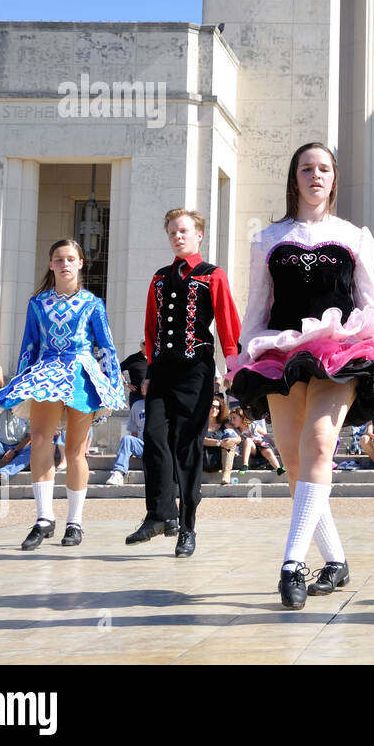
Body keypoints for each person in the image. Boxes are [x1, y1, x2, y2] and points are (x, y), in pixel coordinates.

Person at [228, 142, 374, 609]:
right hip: (280, 353)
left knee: (320, 443)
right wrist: (247, 354)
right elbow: (258, 305)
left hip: (339, 351)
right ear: (294, 178)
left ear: (334, 178)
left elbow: (370, 300)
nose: (315, 175)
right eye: (306, 168)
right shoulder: (267, 238)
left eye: (324, 168)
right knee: (295, 461)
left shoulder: (355, 235)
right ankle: (336, 560)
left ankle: (291, 565)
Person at [0, 239, 127, 549]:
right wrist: (21, 379)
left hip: (81, 373)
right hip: (46, 373)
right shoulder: (37, 303)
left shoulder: (93, 303)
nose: (64, 263)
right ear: (51, 264)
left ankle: (75, 521)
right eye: (58, 259)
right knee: (40, 440)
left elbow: (105, 345)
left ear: (80, 263)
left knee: (75, 450)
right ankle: (44, 518)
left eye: (70, 258)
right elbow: (29, 345)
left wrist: (113, 383)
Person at [127, 208, 242, 559]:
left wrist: (234, 368)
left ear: (198, 236)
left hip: (197, 370)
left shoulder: (212, 276)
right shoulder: (159, 278)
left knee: (187, 446)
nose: (178, 236)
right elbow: (150, 328)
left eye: (184, 231)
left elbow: (227, 323)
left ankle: (188, 527)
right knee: (152, 436)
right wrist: (146, 371)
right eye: (173, 232)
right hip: (162, 369)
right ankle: (160, 514)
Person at [230, 406, 284, 474]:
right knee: (248, 440)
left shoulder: (253, 425)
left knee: (268, 451)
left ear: (242, 417)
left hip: (261, 446)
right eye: (231, 418)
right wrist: (236, 451)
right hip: (251, 449)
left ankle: (278, 469)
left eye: (234, 418)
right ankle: (245, 465)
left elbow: (266, 436)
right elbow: (235, 442)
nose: (232, 421)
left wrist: (274, 447)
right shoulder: (236, 430)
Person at [200, 398, 241, 485]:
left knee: (231, 442)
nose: (214, 409)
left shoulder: (225, 424)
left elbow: (238, 438)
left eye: (217, 407)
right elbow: (199, 440)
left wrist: (233, 440)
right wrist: (219, 443)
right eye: (212, 406)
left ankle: (226, 474)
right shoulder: (201, 424)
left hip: (220, 459)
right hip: (201, 458)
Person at [105, 399, 144, 487]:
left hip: (159, 446)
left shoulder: (164, 403)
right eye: (143, 385)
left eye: (146, 384)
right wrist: (130, 450)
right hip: (143, 445)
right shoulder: (137, 405)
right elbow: (134, 430)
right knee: (127, 439)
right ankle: (118, 473)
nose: (143, 387)